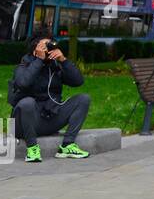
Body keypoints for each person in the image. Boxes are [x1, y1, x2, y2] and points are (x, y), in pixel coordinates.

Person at [8, 34, 91, 162]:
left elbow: (78, 81)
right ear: (35, 49)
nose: (48, 48)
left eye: (50, 45)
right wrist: (39, 61)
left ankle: (67, 145)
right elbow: (23, 83)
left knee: (83, 99)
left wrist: (63, 60)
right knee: (27, 103)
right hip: (24, 124)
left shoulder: (55, 67)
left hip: (49, 117)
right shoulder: (24, 65)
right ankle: (32, 148)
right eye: (44, 45)